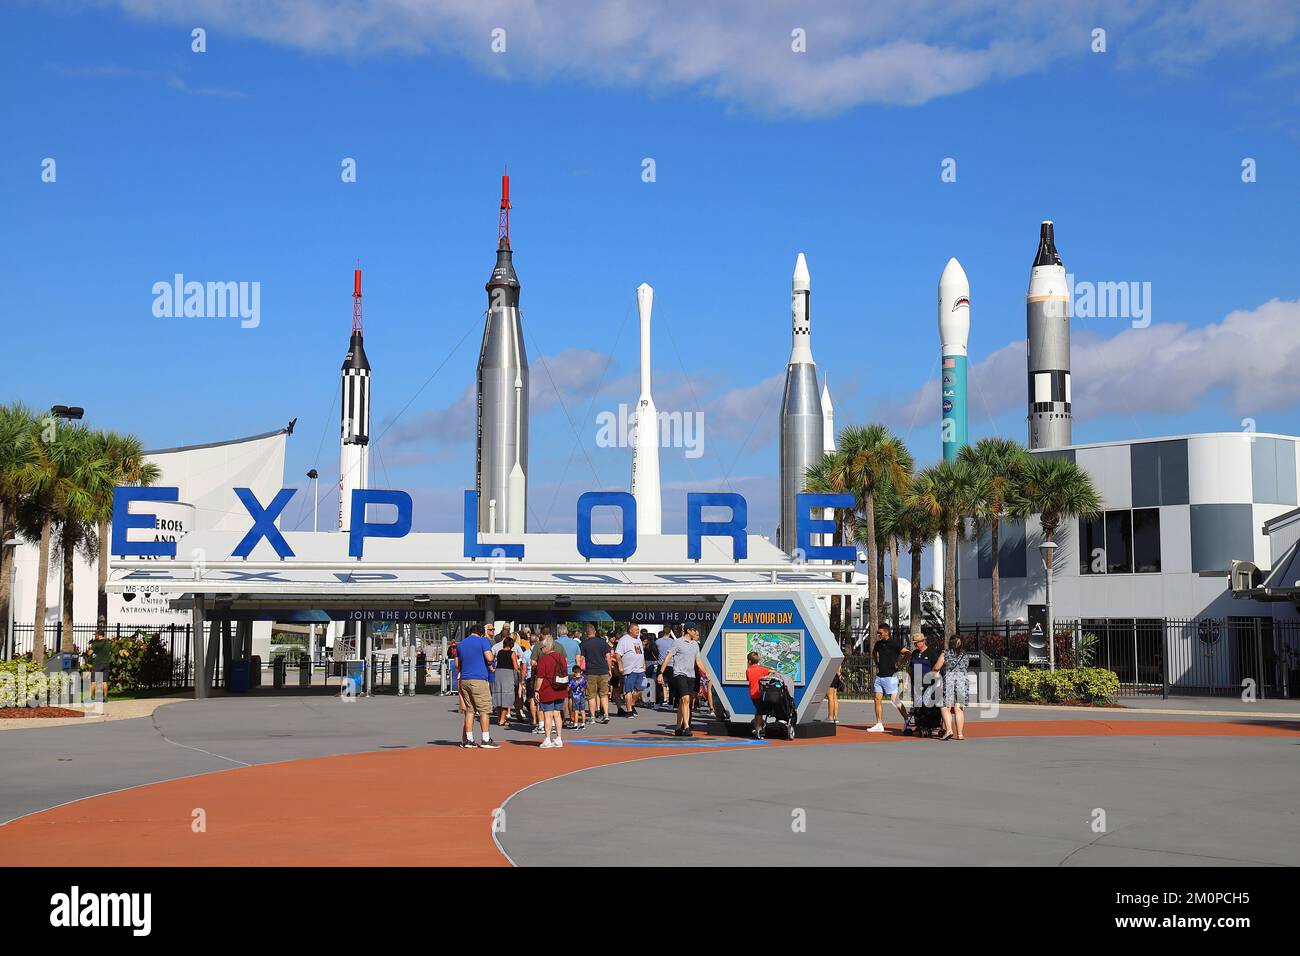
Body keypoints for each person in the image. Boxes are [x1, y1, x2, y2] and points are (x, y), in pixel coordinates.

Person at [455, 625, 500, 749]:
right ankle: (485, 739)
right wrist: (492, 658)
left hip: (465, 679)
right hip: (479, 679)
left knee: (470, 710)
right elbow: (489, 657)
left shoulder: (461, 644)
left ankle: (469, 739)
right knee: (484, 709)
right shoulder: (483, 641)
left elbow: (457, 664)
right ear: (481, 633)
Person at [657, 623, 703, 736]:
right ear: (688, 631)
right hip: (679, 674)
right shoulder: (677, 642)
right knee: (686, 699)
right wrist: (660, 673)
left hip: (691, 675)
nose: (695, 632)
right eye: (694, 630)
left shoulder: (695, 645)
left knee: (685, 702)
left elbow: (698, 661)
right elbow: (668, 657)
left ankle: (678, 728)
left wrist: (706, 673)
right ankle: (686, 727)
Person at [868, 623, 908, 733]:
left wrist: (900, 663)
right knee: (877, 699)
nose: (879, 635)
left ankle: (907, 720)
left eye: (880, 633)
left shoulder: (894, 644)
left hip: (891, 676)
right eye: (878, 633)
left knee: (895, 700)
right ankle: (879, 724)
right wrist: (876, 662)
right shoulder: (878, 644)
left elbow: (907, 653)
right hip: (880, 676)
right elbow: (873, 652)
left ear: (886, 632)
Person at [533, 633, 570, 748]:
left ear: (546, 647)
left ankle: (547, 739)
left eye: (542, 647)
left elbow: (540, 677)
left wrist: (536, 690)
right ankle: (559, 738)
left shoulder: (543, 660)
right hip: (560, 688)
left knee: (547, 715)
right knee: (557, 714)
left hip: (547, 689)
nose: (541, 649)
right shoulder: (561, 658)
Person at [577, 624, 613, 724]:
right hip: (603, 671)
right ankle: (606, 715)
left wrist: (579, 671)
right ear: (595, 632)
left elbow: (581, 659)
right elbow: (608, 657)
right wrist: (609, 669)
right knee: (604, 694)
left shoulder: (583, 644)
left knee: (591, 695)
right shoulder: (603, 643)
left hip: (590, 672)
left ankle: (592, 717)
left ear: (586, 633)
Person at [614, 624, 647, 717]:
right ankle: (629, 711)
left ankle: (631, 704)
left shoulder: (638, 640)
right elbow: (617, 655)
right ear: (630, 630)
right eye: (636, 629)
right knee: (628, 690)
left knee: (641, 687)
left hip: (639, 669)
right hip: (629, 669)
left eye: (638, 629)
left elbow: (641, 653)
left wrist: (643, 664)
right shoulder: (624, 640)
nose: (638, 631)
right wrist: (620, 666)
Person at [940, 636, 969, 741]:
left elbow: (937, 667)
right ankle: (960, 734)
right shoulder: (965, 654)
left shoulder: (946, 653)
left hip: (950, 681)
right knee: (959, 708)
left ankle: (949, 730)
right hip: (962, 681)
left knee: (945, 707)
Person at [491, 635, 520, 727]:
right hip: (507, 675)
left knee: (499, 696)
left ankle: (500, 718)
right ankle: (502, 720)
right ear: (512, 645)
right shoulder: (513, 653)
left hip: (498, 674)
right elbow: (515, 667)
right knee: (506, 697)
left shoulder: (499, 652)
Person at [556, 625, 581, 728]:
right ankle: (572, 718)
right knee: (571, 697)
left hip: (560, 673)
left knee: (562, 697)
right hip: (572, 672)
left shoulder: (555, 643)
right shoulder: (574, 643)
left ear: (558, 633)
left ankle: (562, 719)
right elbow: (578, 660)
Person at [654, 627, 676, 710]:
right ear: (670, 632)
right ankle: (670, 704)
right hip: (670, 665)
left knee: (659, 684)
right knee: (671, 685)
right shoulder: (673, 642)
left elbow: (655, 650)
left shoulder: (658, 641)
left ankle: (657, 703)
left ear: (663, 632)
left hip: (661, 664)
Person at [86, 628, 111, 702]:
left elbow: (89, 653)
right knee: (104, 681)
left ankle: (89, 698)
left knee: (93, 681)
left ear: (99, 635)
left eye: (96, 635)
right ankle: (105, 698)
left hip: (97, 664)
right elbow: (109, 653)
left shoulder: (96, 643)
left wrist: (91, 651)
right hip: (106, 664)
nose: (95, 636)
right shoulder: (108, 642)